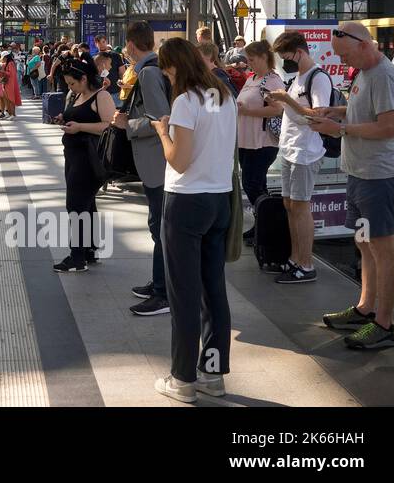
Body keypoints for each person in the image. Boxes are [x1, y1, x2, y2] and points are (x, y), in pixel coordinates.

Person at [306, 23, 394, 349]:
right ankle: (365, 308)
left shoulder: (383, 75)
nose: (344, 61)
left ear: (363, 44)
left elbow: (389, 127)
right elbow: (365, 111)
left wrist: (341, 129)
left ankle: (384, 325)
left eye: (345, 54)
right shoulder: (363, 73)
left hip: (378, 177)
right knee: (364, 244)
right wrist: (338, 111)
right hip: (360, 174)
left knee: (383, 249)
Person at [150, 37, 236, 403]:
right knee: (213, 290)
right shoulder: (224, 95)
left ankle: (182, 379)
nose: (166, 76)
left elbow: (179, 160)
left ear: (174, 66)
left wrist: (162, 132)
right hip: (220, 201)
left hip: (186, 203)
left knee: (183, 293)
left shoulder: (186, 101)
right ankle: (212, 374)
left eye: (166, 69)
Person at [112, 20, 172, 316]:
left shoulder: (148, 73)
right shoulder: (156, 67)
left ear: (132, 46)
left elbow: (163, 118)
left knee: (160, 227)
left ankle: (163, 293)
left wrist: (128, 124)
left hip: (156, 162)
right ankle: (158, 282)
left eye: (126, 45)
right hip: (157, 162)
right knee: (156, 225)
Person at [264, 30, 333, 284]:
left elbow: (318, 115)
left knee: (301, 206)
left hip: (306, 151)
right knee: (290, 204)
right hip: (290, 149)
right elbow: (296, 112)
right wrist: (280, 100)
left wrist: (286, 100)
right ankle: (295, 258)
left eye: (286, 56)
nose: (285, 61)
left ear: (299, 52)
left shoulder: (318, 78)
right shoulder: (298, 78)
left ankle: (306, 263)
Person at [54, 58, 116, 272]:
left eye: (72, 83)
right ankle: (89, 250)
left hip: (89, 158)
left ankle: (77, 257)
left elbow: (110, 125)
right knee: (87, 204)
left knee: (76, 205)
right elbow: (77, 116)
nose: (69, 88)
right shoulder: (78, 95)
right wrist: (64, 118)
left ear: (84, 78)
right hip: (73, 155)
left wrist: (80, 126)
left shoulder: (102, 96)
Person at [234, 40, 284, 242]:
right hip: (246, 140)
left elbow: (277, 109)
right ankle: (263, 225)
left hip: (262, 141)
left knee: (251, 183)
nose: (249, 64)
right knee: (256, 183)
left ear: (264, 57)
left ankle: (268, 222)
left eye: (252, 60)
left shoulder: (272, 80)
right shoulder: (252, 78)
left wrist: (248, 111)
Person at [2, 50, 23, 118]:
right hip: (8, 82)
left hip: (10, 83)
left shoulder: (10, 63)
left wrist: (3, 72)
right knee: (8, 98)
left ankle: (12, 114)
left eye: (3, 58)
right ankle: (9, 113)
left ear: (6, 57)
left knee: (11, 99)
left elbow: (11, 73)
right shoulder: (9, 63)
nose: (3, 59)